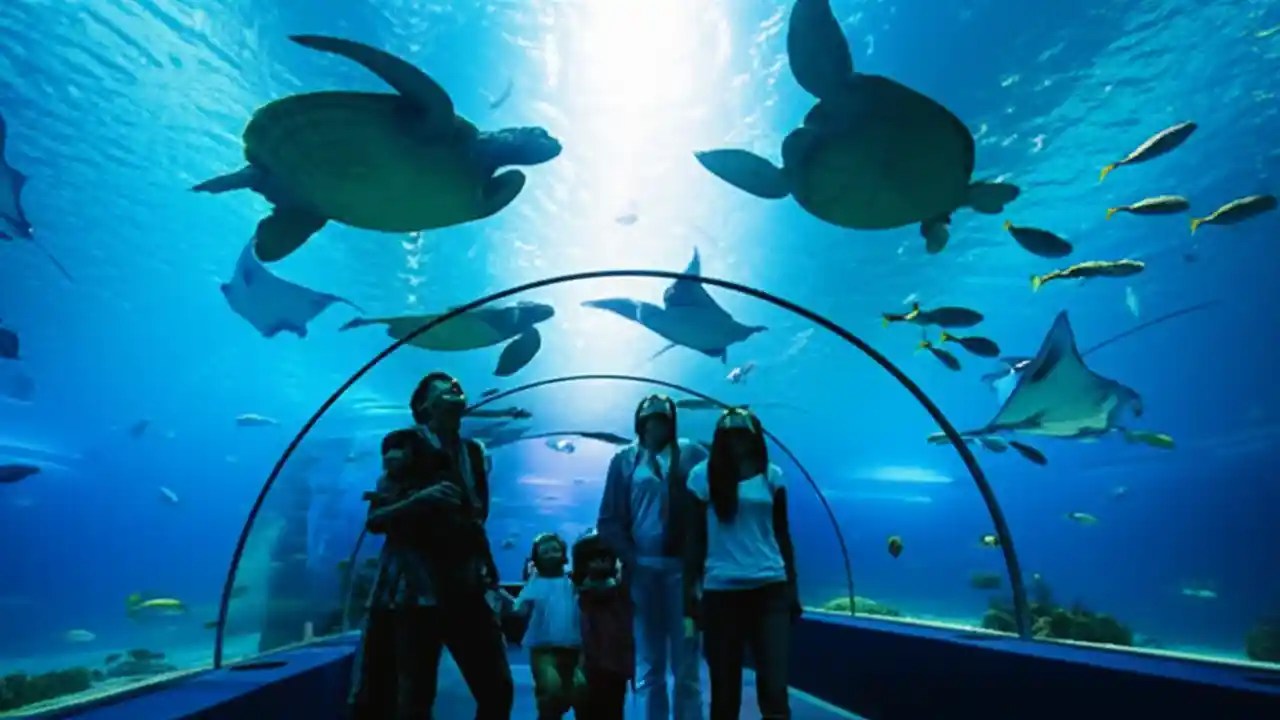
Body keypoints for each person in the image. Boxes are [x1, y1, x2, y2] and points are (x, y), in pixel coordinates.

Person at [348, 371, 514, 720]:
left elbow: (476, 517)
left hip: (466, 586)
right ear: (424, 406)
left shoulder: (475, 452)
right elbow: (376, 521)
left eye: (457, 384)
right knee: (415, 693)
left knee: (498, 688)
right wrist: (421, 500)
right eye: (442, 387)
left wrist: (489, 571)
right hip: (415, 590)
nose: (455, 387)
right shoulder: (404, 447)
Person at [596, 394, 709, 720]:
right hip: (642, 574)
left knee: (687, 664)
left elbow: (707, 509)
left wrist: (699, 563)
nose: (656, 426)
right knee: (648, 664)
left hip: (684, 575)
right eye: (650, 420)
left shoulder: (693, 454)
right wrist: (632, 558)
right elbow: (609, 519)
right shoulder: (624, 460)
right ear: (640, 423)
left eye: (662, 420)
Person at [683, 407, 800, 720]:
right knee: (724, 689)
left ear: (754, 437)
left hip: (770, 588)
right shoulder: (700, 476)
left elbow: (781, 534)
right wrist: (689, 593)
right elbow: (693, 540)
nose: (736, 441)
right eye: (729, 435)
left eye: (742, 434)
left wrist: (792, 588)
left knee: (775, 687)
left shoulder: (772, 475)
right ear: (720, 438)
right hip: (721, 592)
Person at [513, 533, 586, 720]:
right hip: (543, 648)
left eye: (555, 550)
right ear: (536, 558)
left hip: (574, 646)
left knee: (578, 690)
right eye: (545, 552)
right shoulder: (534, 583)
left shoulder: (572, 582)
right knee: (551, 691)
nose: (552, 554)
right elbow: (520, 609)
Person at [572, 529, 635, 720]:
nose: (600, 562)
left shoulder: (622, 593)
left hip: (614, 668)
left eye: (604, 557)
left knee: (612, 710)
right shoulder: (574, 594)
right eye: (593, 558)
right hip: (587, 667)